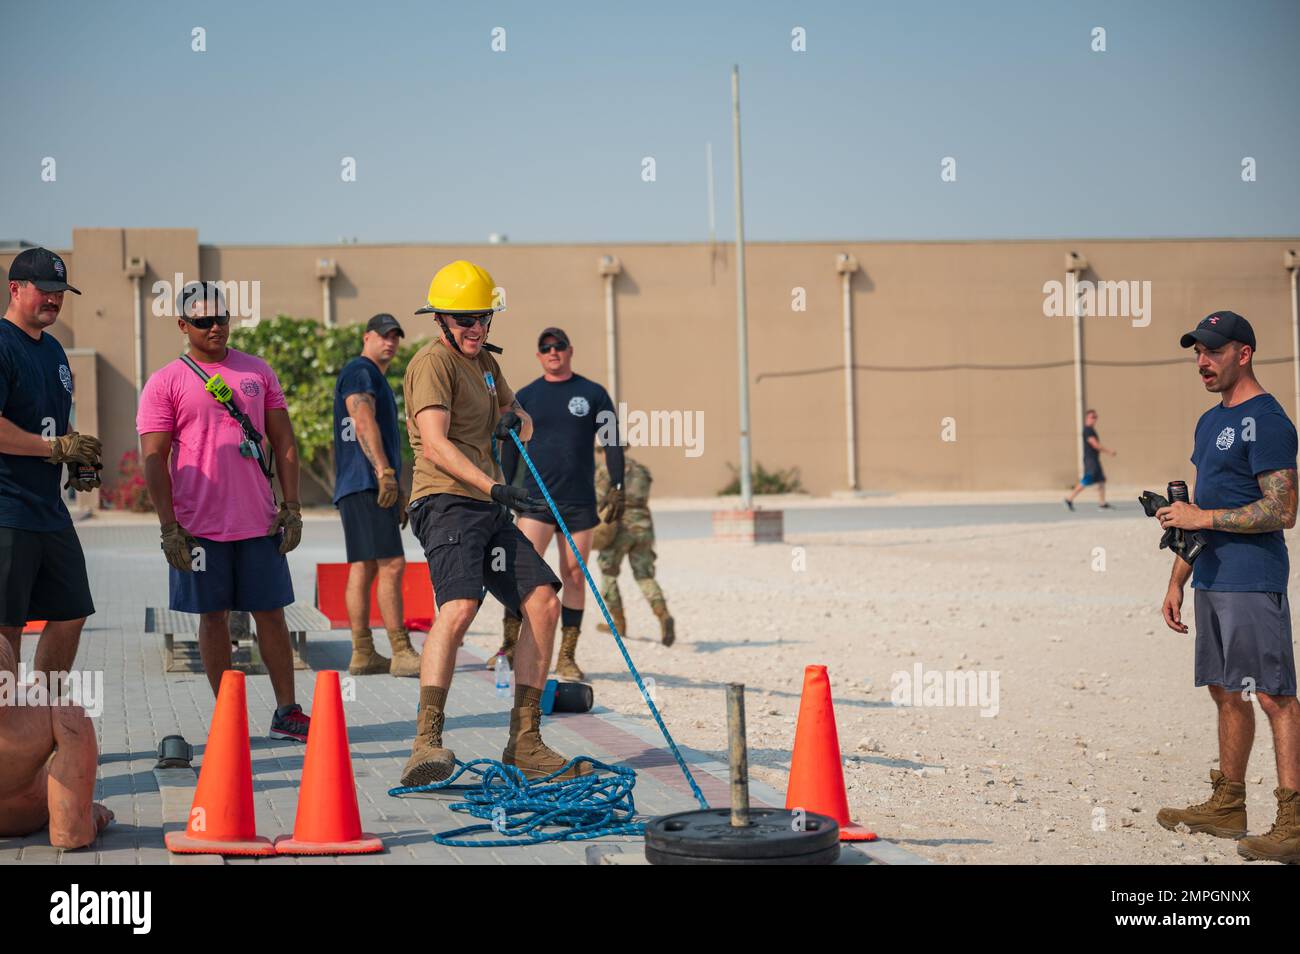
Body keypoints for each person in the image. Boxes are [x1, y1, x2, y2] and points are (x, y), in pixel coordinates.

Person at [399, 260, 588, 786]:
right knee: (458, 607)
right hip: (446, 503)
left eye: (481, 317)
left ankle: (525, 742)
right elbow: (435, 444)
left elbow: (520, 418)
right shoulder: (431, 364)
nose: (473, 327)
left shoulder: (485, 362)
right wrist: (493, 486)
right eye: (462, 319)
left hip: (488, 503)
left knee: (545, 602)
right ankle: (426, 742)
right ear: (440, 320)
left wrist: (515, 421)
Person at [1156, 310, 1300, 864]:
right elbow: (1194, 510)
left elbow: (1283, 510)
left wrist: (1203, 519)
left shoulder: (1269, 421)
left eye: (1213, 352)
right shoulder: (1207, 421)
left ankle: (1292, 819)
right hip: (1210, 578)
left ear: (1244, 354)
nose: (1202, 362)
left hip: (1252, 579)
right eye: (1197, 352)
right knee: (1224, 689)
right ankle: (1228, 805)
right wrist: (1176, 579)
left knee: (1274, 696)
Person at [137, 282, 310, 742]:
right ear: (182, 325)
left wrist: (291, 507)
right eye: (202, 321)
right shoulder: (165, 382)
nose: (215, 327)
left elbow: (285, 442)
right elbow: (153, 459)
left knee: (270, 613)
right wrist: (168, 527)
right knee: (212, 617)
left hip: (260, 520)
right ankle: (227, 717)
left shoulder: (257, 371)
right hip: (198, 527)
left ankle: (286, 712)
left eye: (222, 318)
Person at [493, 328, 624, 681]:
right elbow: (508, 444)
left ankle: (567, 655)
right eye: (546, 348)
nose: (553, 352)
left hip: (579, 502)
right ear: (539, 356)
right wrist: (502, 489)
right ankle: (508, 645)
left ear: (570, 351)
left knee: (575, 574)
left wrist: (618, 485)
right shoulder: (526, 396)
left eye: (559, 347)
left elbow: (612, 440)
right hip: (535, 500)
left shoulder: (593, 393)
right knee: (520, 572)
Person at [0, 248, 101, 682]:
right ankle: (8, 738)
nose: (54, 300)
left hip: (49, 510)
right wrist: (54, 449)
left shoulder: (55, 350)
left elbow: (59, 424)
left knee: (72, 611)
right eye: (45, 290)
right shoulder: (3, 344)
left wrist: (76, 455)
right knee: (7, 628)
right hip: (7, 511)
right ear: (15, 288)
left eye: (60, 292)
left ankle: (40, 717)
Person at [332, 313, 419, 677]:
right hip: (366, 483)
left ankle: (363, 651)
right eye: (384, 335)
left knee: (364, 567)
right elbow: (362, 417)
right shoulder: (361, 370)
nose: (391, 342)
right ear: (367, 337)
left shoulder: (372, 375)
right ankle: (401, 651)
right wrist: (385, 473)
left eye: (396, 337)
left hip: (359, 484)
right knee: (392, 565)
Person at [0, 638, 112, 848]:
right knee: (69, 715)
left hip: (30, 813)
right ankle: (80, 818)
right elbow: (70, 835)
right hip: (27, 816)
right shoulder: (46, 711)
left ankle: (78, 818)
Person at [593, 447, 675, 645]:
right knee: (645, 575)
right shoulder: (641, 470)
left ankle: (618, 624)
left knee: (608, 574)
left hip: (618, 526)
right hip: (644, 526)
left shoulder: (605, 471)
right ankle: (663, 614)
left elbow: (599, 500)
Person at [1063, 409, 1116, 510]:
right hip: (1090, 460)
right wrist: (1109, 451)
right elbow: (1094, 444)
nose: (1094, 419)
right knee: (1087, 480)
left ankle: (1102, 503)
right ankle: (1068, 499)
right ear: (1087, 418)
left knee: (1101, 480)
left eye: (1096, 417)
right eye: (1093, 417)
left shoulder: (1092, 430)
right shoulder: (1088, 430)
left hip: (1095, 459)